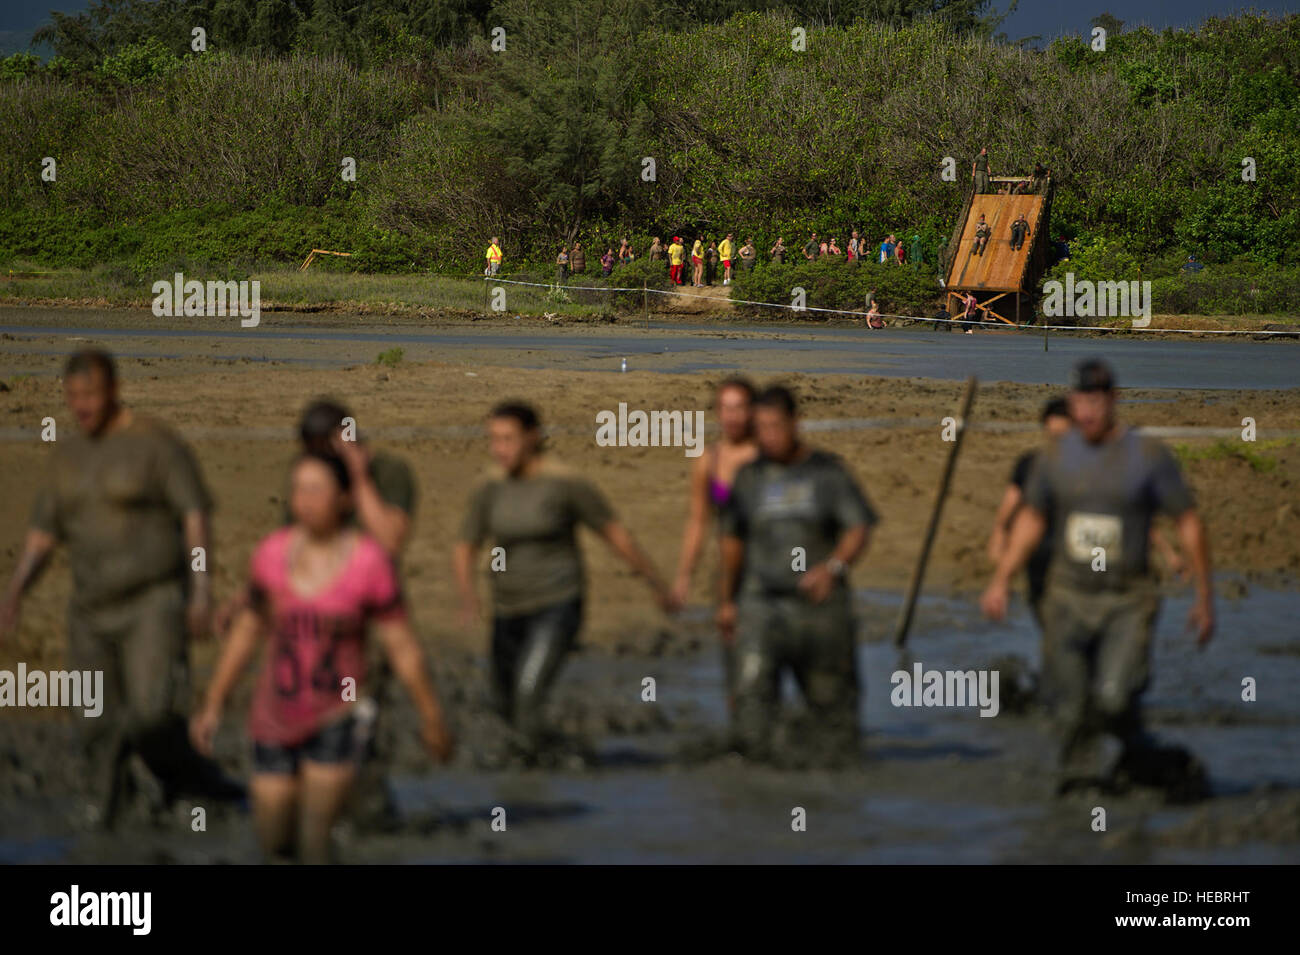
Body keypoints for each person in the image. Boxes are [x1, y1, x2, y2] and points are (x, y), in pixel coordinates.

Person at [1, 350, 239, 828]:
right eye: (72, 397)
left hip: (152, 600)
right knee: (92, 721)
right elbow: (44, 534)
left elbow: (194, 515)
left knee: (152, 714)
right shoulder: (67, 457)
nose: (81, 406)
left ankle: (197, 782)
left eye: (89, 394)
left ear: (113, 389)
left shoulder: (155, 444)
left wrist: (200, 589)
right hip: (90, 610)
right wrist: (15, 592)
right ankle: (107, 811)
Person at [191, 452, 453, 864]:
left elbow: (402, 646)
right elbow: (247, 633)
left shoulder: (369, 563)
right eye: (298, 489)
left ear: (344, 499)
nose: (305, 500)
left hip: (337, 715)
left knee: (315, 839)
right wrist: (213, 704)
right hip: (273, 717)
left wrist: (432, 716)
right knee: (275, 841)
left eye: (317, 490)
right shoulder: (271, 555)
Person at [981, 359, 1214, 793]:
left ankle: (1136, 754)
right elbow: (1030, 518)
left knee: (1112, 695)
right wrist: (1001, 578)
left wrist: (1204, 597)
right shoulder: (1054, 458)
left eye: (1096, 400)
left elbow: (1187, 521)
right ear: (1071, 403)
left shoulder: (1147, 456)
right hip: (1067, 594)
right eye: (1080, 401)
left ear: (1113, 400)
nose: (1087, 411)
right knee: (1067, 705)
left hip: (1127, 597)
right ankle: (1079, 793)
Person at [454, 402, 679, 753]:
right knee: (504, 705)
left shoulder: (565, 484)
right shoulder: (489, 488)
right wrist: (469, 596)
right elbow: (465, 545)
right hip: (507, 608)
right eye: (494, 440)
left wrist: (656, 583)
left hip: (556, 604)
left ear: (533, 437)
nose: (500, 449)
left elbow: (615, 534)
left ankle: (541, 778)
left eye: (508, 439)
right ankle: (558, 756)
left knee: (528, 696)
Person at [718, 386, 878, 766]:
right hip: (762, 603)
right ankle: (758, 794)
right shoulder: (747, 479)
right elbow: (731, 543)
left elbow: (858, 528)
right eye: (761, 428)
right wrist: (726, 602)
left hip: (821, 608)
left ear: (795, 423)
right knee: (752, 710)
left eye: (776, 426)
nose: (769, 436)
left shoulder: (827, 472)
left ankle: (826, 802)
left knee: (834, 722)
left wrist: (834, 567)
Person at [673, 379, 760, 710]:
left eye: (740, 407)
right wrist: (684, 577)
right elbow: (698, 521)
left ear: (752, 411)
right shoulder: (708, 460)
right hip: (727, 574)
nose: (733, 416)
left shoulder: (765, 454)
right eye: (726, 408)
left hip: (769, 567)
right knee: (735, 659)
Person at [987, 398, 1072, 629]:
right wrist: (999, 538)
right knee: (1051, 633)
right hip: (1039, 563)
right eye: (1054, 436)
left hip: (1079, 567)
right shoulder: (1030, 464)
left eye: (1065, 437)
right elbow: (1011, 508)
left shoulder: (1095, 469)